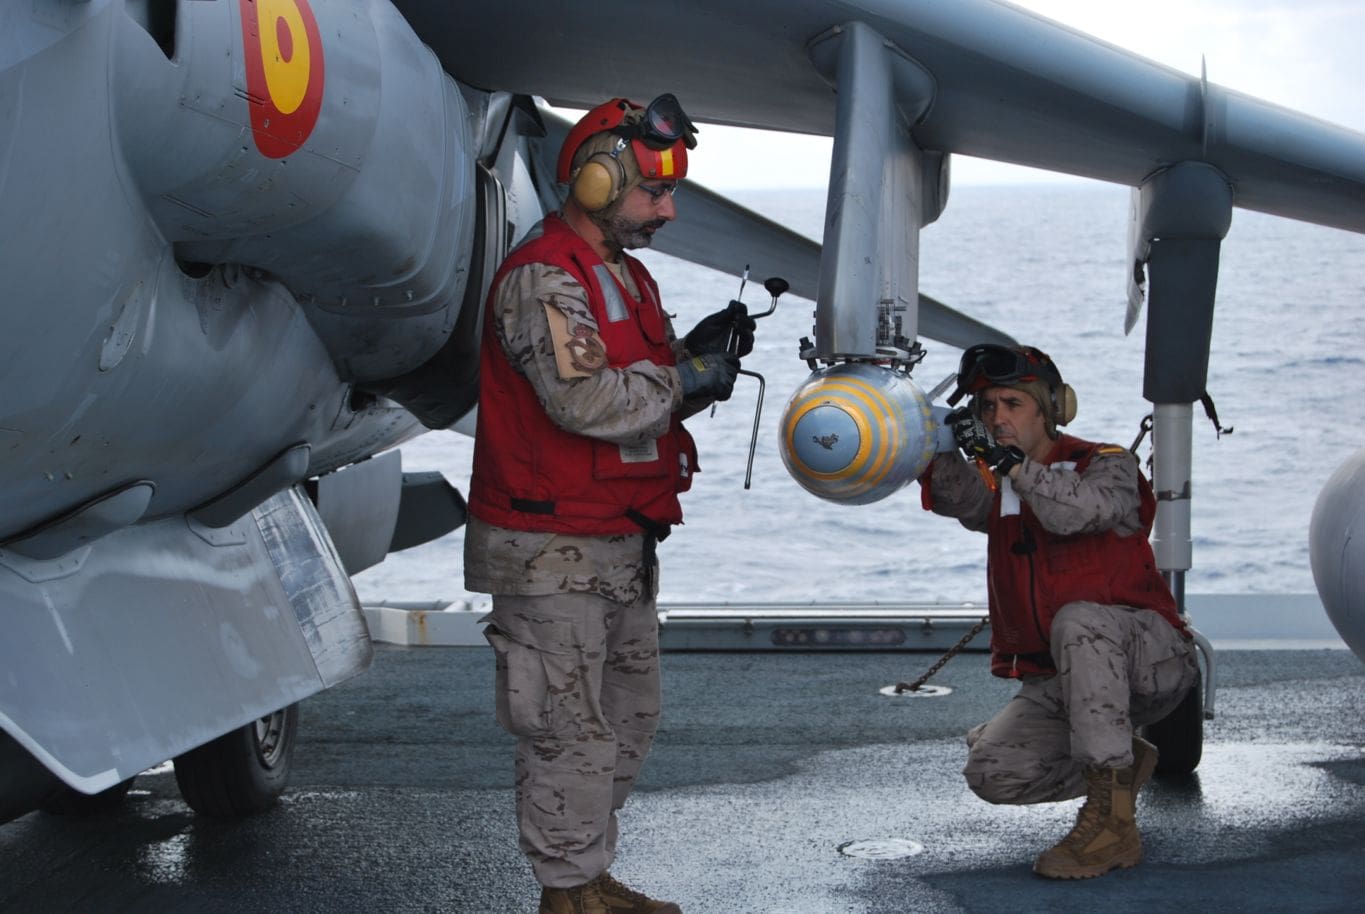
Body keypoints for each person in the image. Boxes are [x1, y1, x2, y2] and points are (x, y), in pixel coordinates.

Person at [463, 95, 753, 914]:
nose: (667, 210)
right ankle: (565, 894)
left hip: (617, 541)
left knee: (623, 721)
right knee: (567, 728)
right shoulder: (545, 279)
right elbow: (586, 402)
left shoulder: (623, 275)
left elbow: (639, 396)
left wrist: (696, 361)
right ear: (596, 182)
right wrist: (683, 377)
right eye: (652, 193)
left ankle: (586, 875)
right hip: (551, 548)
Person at [918, 343, 1199, 880]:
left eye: (1012, 404)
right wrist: (935, 445)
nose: (998, 418)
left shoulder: (1107, 463)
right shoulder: (1000, 484)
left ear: (1050, 408)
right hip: (1066, 681)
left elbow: (1083, 513)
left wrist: (1010, 464)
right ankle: (1121, 762)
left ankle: (1113, 827)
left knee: (1079, 618)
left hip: (1151, 662)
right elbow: (960, 500)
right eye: (987, 408)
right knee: (994, 773)